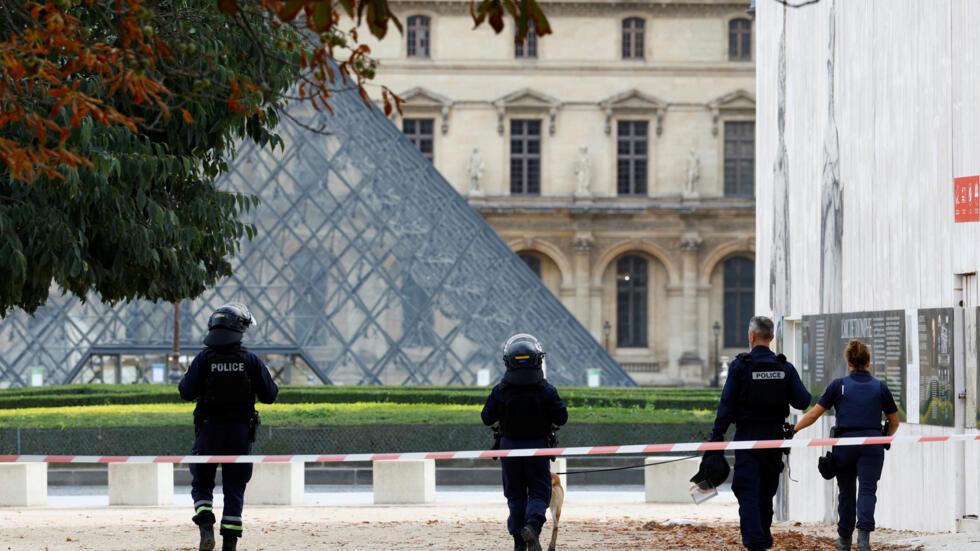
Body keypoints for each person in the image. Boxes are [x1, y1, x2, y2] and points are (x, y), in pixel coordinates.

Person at [705, 316, 811, 551]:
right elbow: (803, 401)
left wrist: (716, 438)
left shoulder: (741, 366)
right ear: (772, 338)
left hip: (747, 439)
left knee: (747, 490)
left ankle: (756, 542)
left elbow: (726, 406)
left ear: (751, 336)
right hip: (773, 439)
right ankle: (762, 538)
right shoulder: (785, 367)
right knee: (765, 492)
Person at [179, 303, 279, 551]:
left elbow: (185, 392)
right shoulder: (251, 360)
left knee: (202, 484)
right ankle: (230, 545)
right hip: (239, 433)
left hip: (209, 432)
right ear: (240, 330)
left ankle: (205, 528)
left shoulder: (203, 359)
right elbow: (270, 395)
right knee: (235, 488)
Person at [793, 339, 899, 551]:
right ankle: (864, 539)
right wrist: (885, 437)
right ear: (868, 362)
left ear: (848, 362)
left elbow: (814, 415)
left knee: (846, 492)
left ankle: (844, 539)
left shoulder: (838, 386)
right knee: (868, 490)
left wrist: (793, 430)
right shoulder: (880, 388)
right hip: (872, 444)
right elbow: (894, 422)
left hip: (845, 444)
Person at [482, 334, 568, 551]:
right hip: (537, 448)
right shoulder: (546, 390)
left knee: (515, 495)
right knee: (540, 492)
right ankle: (532, 525)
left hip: (509, 448)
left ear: (508, 361)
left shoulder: (501, 390)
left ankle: (518, 542)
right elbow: (561, 418)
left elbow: (486, 418)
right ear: (537, 360)